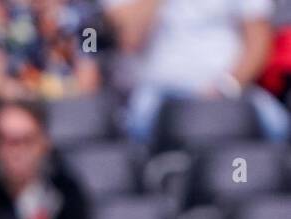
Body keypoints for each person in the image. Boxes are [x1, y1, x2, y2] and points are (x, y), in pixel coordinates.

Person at [104, 0, 290, 144]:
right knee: (136, 128)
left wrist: (226, 86)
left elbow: (259, 41)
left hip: (231, 87)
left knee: (279, 126)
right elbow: (129, 40)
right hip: (158, 91)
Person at [0, 0, 101, 101]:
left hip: (68, 107)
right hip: (20, 105)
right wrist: (18, 92)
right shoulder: (6, 17)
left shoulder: (87, 26)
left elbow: (89, 81)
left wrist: (56, 92)